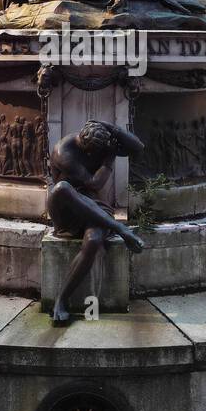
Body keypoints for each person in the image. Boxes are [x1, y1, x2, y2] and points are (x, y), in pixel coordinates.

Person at [47, 120, 145, 325]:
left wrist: (112, 128)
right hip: (66, 209)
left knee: (93, 241)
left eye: (96, 154)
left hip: (95, 207)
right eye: (90, 153)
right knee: (62, 187)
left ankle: (61, 299)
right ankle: (121, 229)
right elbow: (94, 183)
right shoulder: (63, 151)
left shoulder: (102, 143)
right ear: (82, 142)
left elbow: (138, 147)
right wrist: (109, 158)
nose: (93, 157)